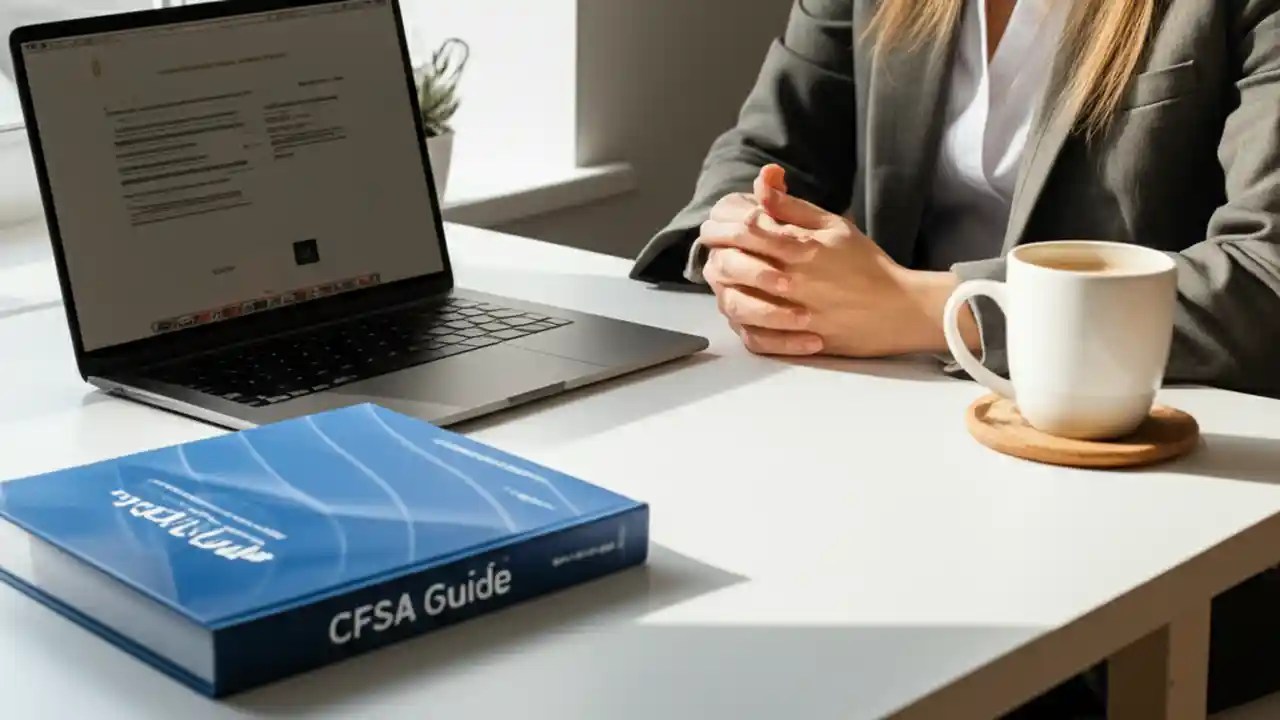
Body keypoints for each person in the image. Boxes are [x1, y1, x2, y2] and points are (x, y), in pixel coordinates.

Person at [630, 0, 1280, 716]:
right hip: (887, 459)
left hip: (1151, 499)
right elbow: (762, 152)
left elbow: (1265, 273)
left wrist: (925, 307)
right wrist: (744, 246)